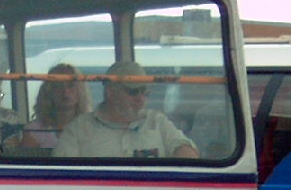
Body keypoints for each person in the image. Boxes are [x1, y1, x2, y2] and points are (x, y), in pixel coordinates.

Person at [54, 59, 200, 159]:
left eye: (145, 93)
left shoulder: (156, 121)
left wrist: (183, 155)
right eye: (133, 92)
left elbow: (186, 149)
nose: (140, 99)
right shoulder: (79, 129)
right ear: (110, 92)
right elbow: (61, 177)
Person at [12, 63, 91, 150]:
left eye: (70, 85)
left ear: (80, 90)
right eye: (57, 86)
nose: (65, 91)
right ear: (49, 92)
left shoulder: (92, 128)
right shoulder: (35, 130)